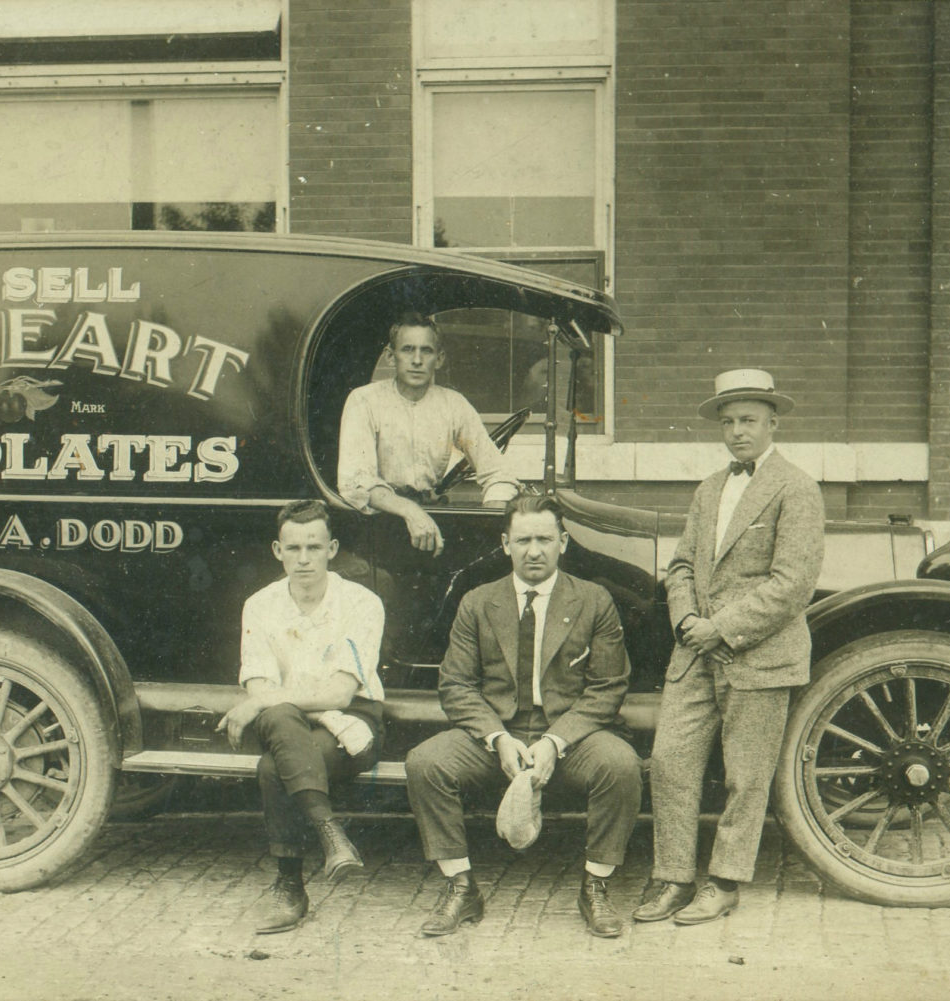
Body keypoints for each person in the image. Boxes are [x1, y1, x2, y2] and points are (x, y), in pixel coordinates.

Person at [633, 369, 825, 926]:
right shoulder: (710, 488)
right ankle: (673, 878)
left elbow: (793, 584)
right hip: (696, 652)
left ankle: (724, 882)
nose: (738, 431)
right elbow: (681, 565)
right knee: (669, 762)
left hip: (758, 655)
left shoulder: (796, 488)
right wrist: (688, 621)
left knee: (746, 776)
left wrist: (722, 628)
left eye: (748, 420)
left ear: (772, 423)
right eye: (728, 422)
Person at [404, 493, 641, 938]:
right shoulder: (478, 602)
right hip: (497, 734)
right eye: (523, 540)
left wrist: (555, 741)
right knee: (426, 763)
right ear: (505, 544)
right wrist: (496, 738)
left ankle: (596, 885)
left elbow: (608, 686)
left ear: (563, 542)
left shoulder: (593, 600)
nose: (534, 551)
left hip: (569, 736)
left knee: (620, 765)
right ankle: (461, 886)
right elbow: (455, 685)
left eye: (545, 540)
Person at [216, 499, 386, 935]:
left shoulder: (361, 602)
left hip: (348, 722)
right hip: (284, 721)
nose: (304, 559)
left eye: (314, 547)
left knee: (274, 768)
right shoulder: (260, 605)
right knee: (280, 720)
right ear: (278, 551)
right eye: (293, 548)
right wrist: (264, 702)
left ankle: (290, 885)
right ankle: (330, 834)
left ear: (333, 549)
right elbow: (259, 686)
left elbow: (340, 693)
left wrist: (259, 704)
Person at [338, 311, 520, 556]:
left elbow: (497, 471)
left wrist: (490, 519)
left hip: (433, 521)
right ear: (391, 356)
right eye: (407, 350)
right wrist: (410, 511)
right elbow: (356, 481)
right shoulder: (364, 401)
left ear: (439, 358)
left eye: (426, 351)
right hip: (378, 526)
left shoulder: (453, 404)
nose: (417, 360)